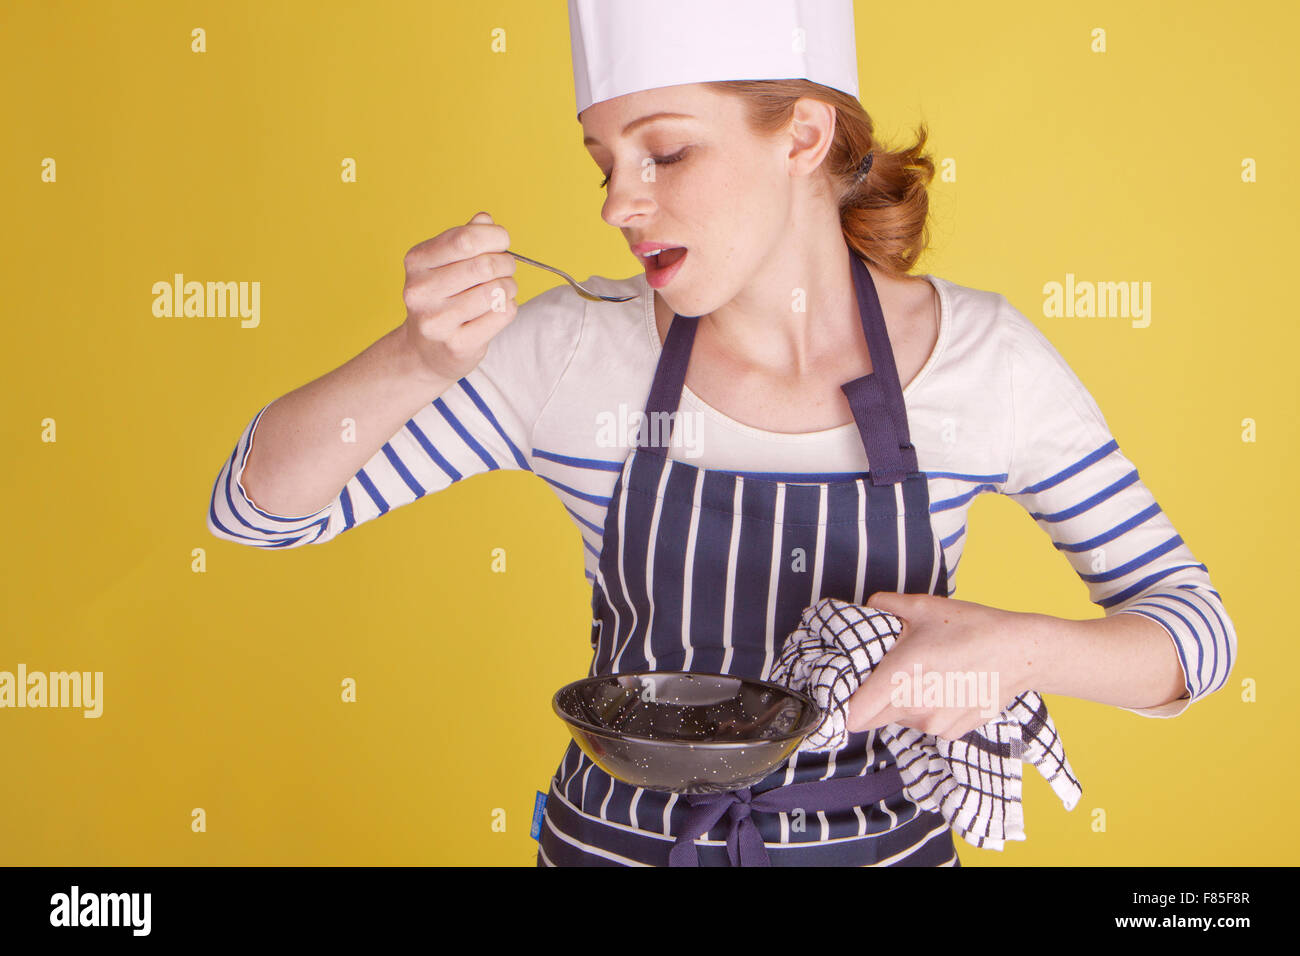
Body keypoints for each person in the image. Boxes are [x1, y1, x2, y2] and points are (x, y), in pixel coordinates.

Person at [206, 0, 1235, 866]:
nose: (617, 201)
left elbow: (1195, 635)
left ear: (801, 137)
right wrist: (415, 359)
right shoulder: (573, 353)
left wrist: (1012, 650)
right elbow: (258, 511)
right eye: (602, 159)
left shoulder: (981, 362)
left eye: (664, 150)